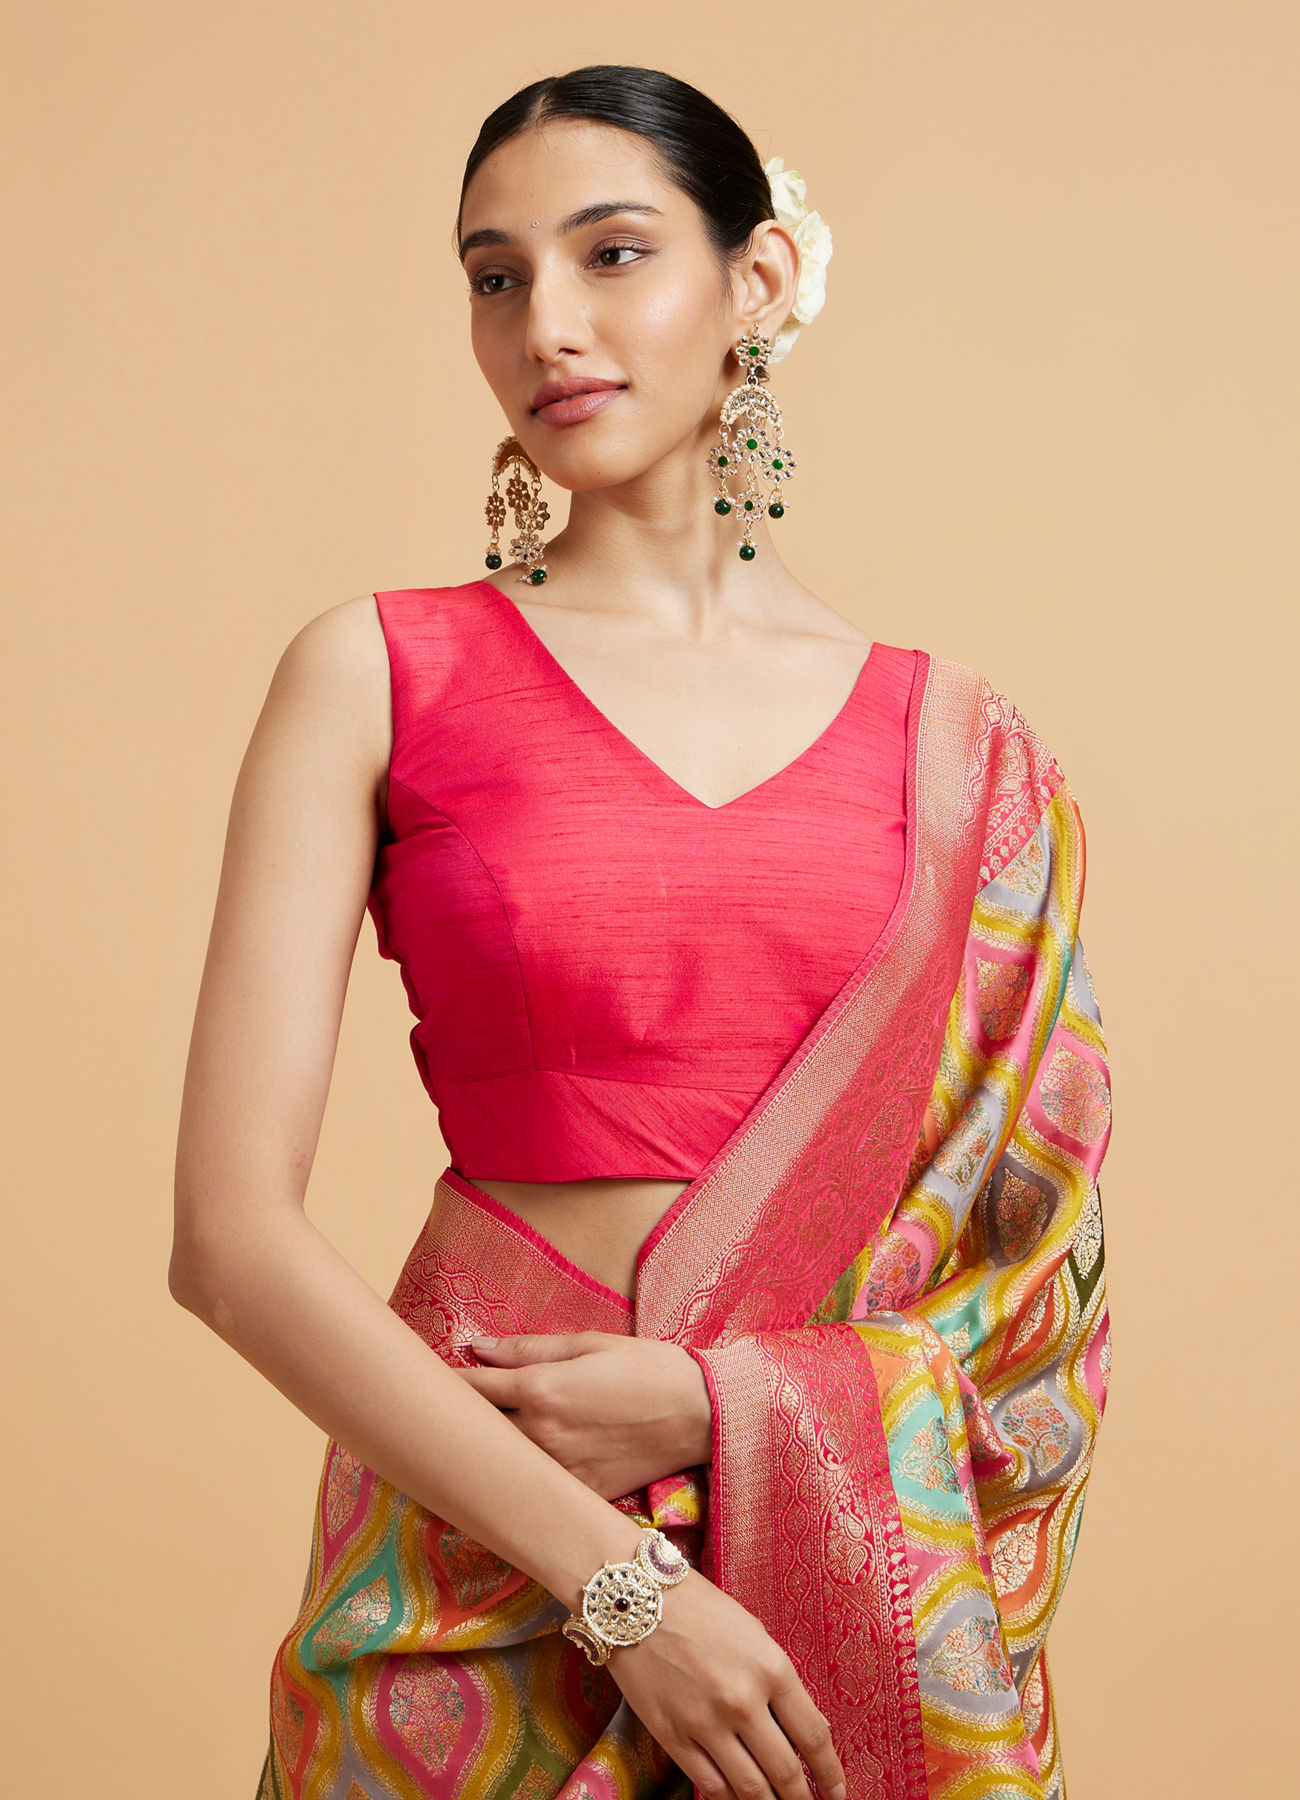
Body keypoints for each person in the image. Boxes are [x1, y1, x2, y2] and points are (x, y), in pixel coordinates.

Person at [169, 63, 1112, 1800]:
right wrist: (626, 1589)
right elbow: (229, 1242)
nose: (548, 325)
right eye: (496, 276)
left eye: (613, 254)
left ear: (759, 280)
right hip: (474, 1551)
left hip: (829, 1604)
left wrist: (723, 1411)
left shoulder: (959, 752)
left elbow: (1031, 1274)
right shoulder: (375, 672)